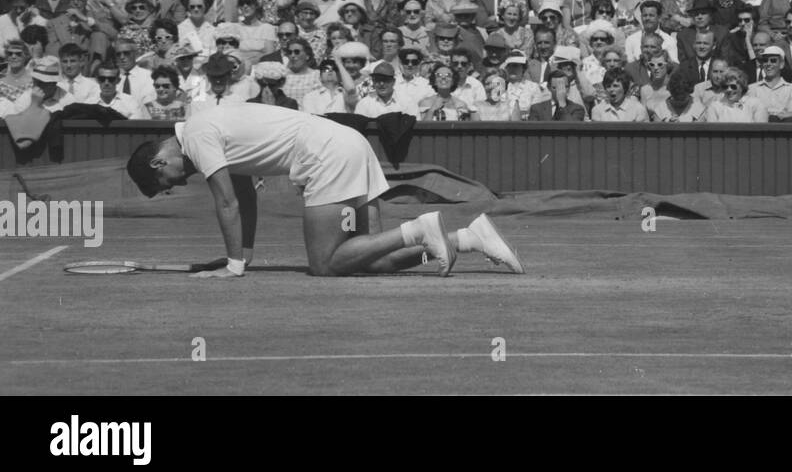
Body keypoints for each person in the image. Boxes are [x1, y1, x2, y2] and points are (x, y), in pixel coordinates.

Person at [126, 105, 524, 277]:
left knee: (326, 264)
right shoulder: (211, 129)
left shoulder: (196, 134)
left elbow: (226, 201)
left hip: (327, 156)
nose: (177, 184)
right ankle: (469, 238)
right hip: (348, 144)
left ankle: (417, 230)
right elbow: (244, 196)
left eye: (167, 183)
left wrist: (232, 269)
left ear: (159, 163)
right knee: (368, 261)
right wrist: (241, 257)